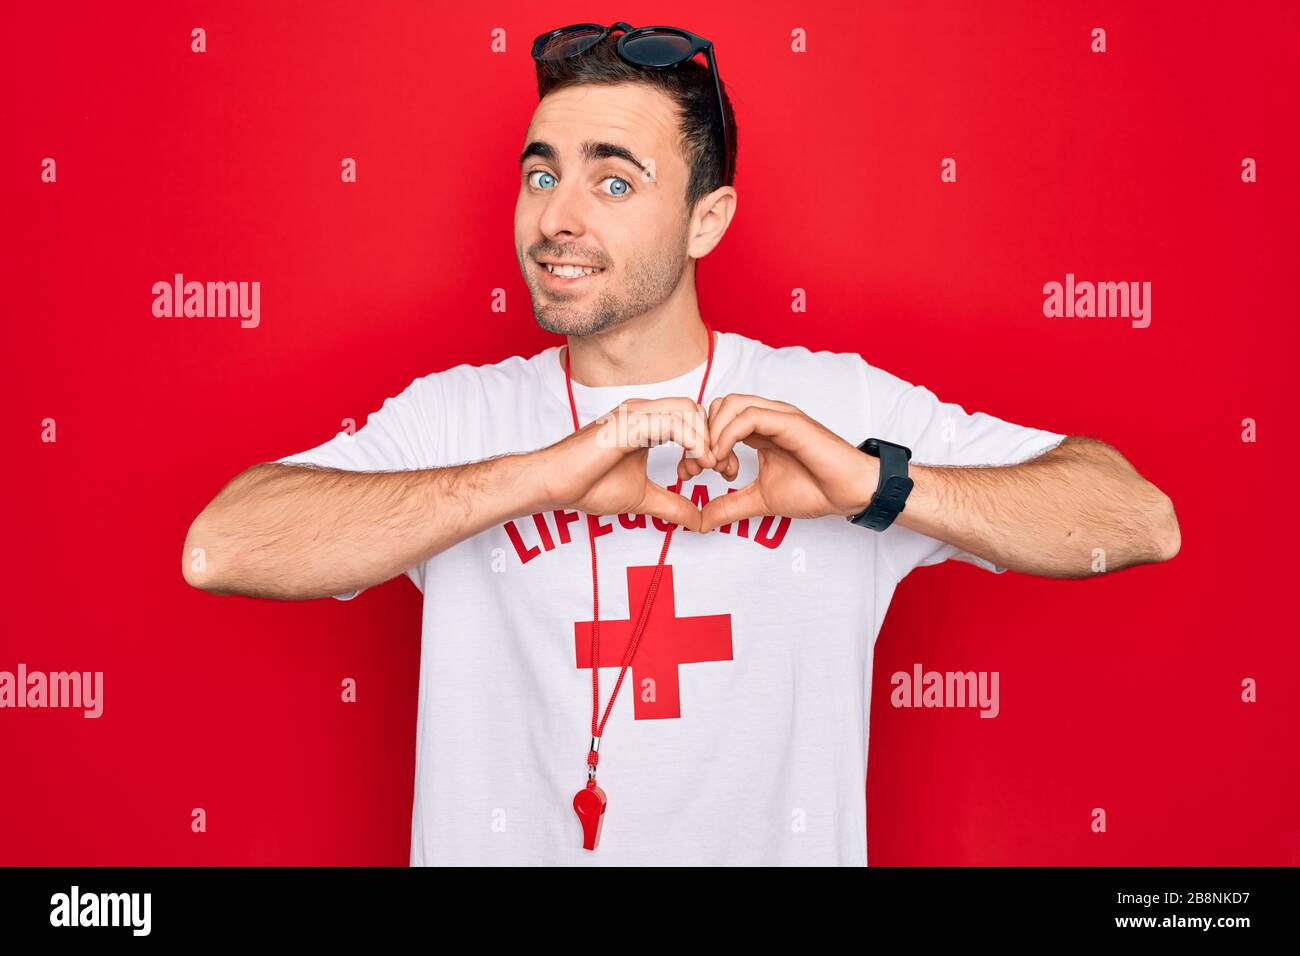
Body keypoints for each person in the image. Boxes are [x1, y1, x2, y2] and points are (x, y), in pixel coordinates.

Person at [181, 22, 1180, 866]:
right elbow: (223, 545)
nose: (556, 217)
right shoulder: (460, 417)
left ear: (709, 219)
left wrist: (869, 483)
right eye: (542, 172)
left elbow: (1137, 518)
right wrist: (540, 475)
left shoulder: (829, 401)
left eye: (613, 183)